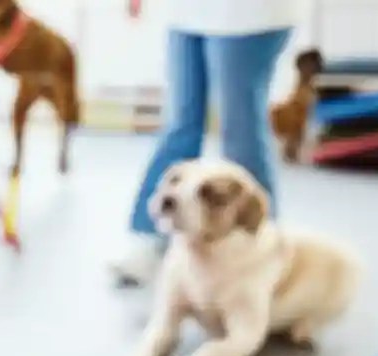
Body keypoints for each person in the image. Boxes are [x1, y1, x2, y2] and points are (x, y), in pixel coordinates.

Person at [110, 0, 297, 285]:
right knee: (180, 125)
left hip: (249, 16)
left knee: (240, 131)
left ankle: (261, 245)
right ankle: (153, 237)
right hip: (187, 12)